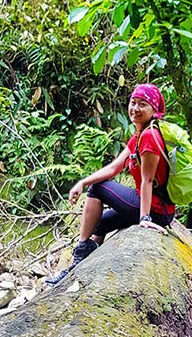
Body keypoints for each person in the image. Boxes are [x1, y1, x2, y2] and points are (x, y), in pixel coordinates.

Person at [45, 84, 174, 286]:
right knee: (100, 223)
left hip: (156, 210)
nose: (135, 109)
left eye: (143, 104)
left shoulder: (149, 136)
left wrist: (145, 219)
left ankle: (80, 253)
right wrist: (81, 182)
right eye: (133, 103)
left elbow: (148, 180)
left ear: (154, 111)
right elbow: (114, 168)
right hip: (151, 206)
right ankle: (80, 268)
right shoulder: (138, 137)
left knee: (97, 188)